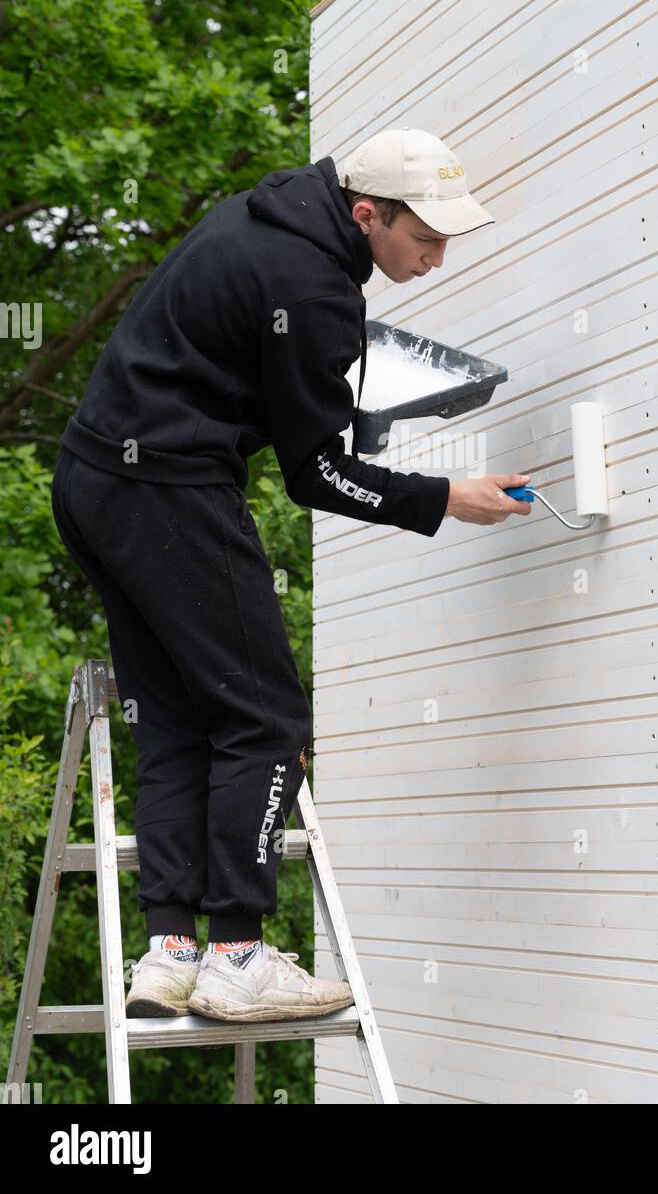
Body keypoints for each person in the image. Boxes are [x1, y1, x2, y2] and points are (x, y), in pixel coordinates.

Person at [50, 126, 533, 1023]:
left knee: (177, 712)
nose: (436, 257)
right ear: (366, 213)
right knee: (265, 713)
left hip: (92, 482)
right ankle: (238, 953)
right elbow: (319, 474)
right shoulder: (315, 289)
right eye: (423, 239)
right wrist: (440, 497)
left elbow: (263, 374)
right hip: (169, 490)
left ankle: (169, 951)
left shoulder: (266, 215)